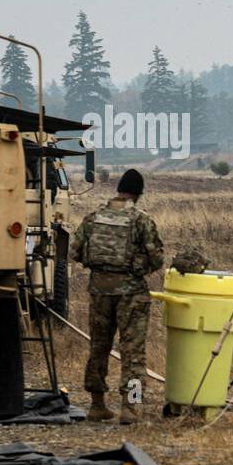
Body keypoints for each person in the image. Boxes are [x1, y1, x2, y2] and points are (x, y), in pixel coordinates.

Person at [69, 168, 164, 424]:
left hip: (99, 291)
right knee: (132, 350)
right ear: (138, 194)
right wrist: (137, 267)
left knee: (99, 347)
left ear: (118, 190)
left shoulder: (94, 217)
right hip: (131, 294)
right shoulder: (140, 219)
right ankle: (129, 408)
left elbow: (74, 252)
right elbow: (157, 258)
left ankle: (97, 405)